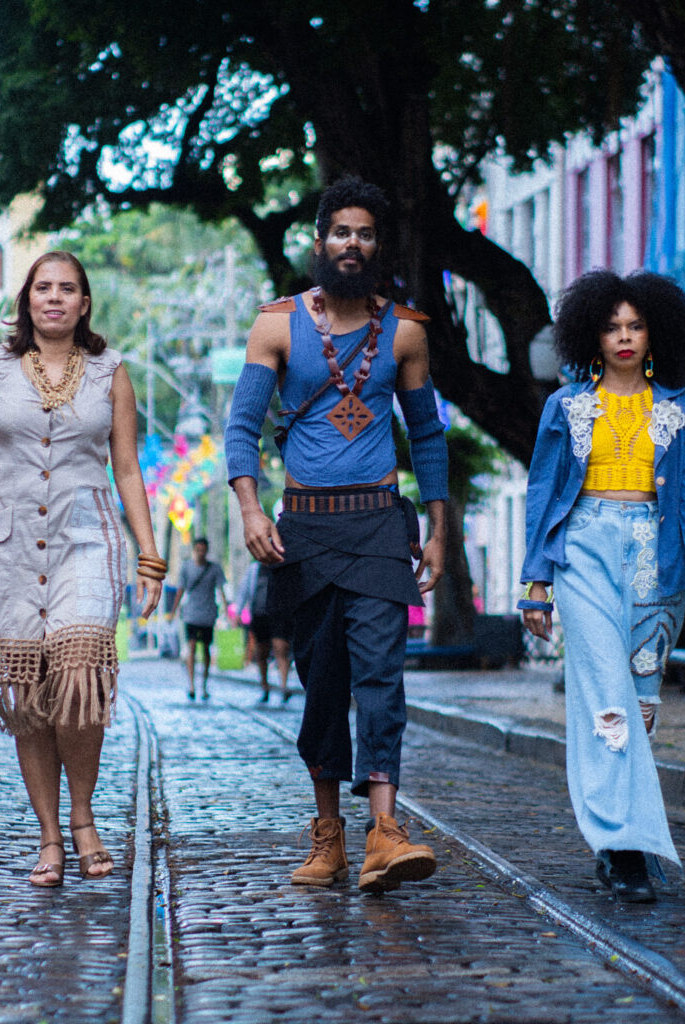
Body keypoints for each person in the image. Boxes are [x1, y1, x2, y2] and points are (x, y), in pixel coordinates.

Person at [225, 176, 448, 894]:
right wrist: (251, 509)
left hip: (381, 522)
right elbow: (241, 427)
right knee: (323, 684)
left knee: (382, 676)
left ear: (378, 247)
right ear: (320, 241)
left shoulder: (407, 330)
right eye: (341, 232)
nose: (353, 244)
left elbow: (428, 436)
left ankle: (386, 831)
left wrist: (440, 529)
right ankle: (329, 839)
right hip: (304, 531)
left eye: (366, 234)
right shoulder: (276, 325)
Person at [0, 251, 163, 888]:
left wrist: (149, 553)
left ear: (85, 303)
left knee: (80, 673)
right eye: (42, 288)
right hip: (4, 546)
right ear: (26, 301)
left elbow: (129, 470)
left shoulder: (111, 373)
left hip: (87, 541)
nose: (54, 298)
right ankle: (51, 836)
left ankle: (83, 817)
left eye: (68, 289)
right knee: (29, 690)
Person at [519, 269, 685, 904]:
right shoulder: (564, 408)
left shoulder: (681, 410)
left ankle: (622, 839)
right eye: (611, 326)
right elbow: (542, 496)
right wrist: (537, 581)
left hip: (655, 556)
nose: (623, 337)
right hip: (584, 548)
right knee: (606, 693)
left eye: (635, 325)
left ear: (654, 334)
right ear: (589, 333)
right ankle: (625, 847)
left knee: (640, 702)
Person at [171, 538, 228, 700]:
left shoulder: (214, 568)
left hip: (208, 614)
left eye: (203, 550)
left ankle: (204, 684)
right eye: (198, 549)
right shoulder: (186, 567)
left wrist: (225, 610)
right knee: (192, 647)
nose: (201, 553)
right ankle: (191, 684)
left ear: (207, 551)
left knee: (206, 650)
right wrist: (173, 611)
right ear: (194, 550)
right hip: (191, 613)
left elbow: (221, 589)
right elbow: (180, 590)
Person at [236, 559, 292, 704]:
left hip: (279, 614)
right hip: (259, 615)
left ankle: (284, 687)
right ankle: (265, 687)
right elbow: (245, 590)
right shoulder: (254, 569)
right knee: (262, 652)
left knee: (281, 649)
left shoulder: (281, 565)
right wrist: (238, 611)